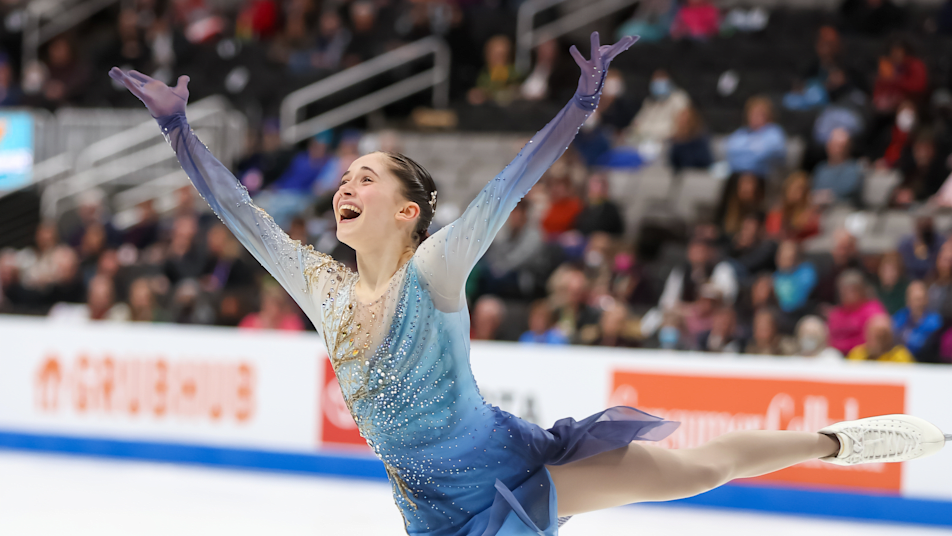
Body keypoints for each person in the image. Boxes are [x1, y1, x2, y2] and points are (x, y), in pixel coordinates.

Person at [111, 34, 948, 536]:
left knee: (695, 469)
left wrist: (579, 107)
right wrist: (180, 132)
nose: (345, 186)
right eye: (344, 176)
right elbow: (244, 217)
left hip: (512, 475)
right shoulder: (321, 290)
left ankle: (836, 444)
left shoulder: (435, 268)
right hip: (428, 515)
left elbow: (505, 189)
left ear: (407, 212)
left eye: (367, 177)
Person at [827, 269, 887, 354]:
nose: (846, 294)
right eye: (843, 290)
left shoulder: (873, 310)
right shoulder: (836, 313)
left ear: (861, 290)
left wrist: (844, 346)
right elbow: (830, 338)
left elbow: (872, 340)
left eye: (851, 290)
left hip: (865, 356)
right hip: (837, 356)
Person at [725, 97, 787, 178]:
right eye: (752, 114)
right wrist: (754, 150)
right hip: (739, 175)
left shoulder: (774, 132)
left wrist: (744, 153)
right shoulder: (741, 132)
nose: (755, 117)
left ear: (767, 116)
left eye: (759, 114)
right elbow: (731, 150)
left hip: (764, 176)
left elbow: (768, 154)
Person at [626, 69, 690, 146]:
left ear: (669, 82)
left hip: (668, 142)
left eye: (661, 81)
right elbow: (637, 123)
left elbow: (682, 124)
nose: (658, 85)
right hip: (644, 141)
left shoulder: (679, 98)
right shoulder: (649, 101)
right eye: (656, 81)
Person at [811, 128, 863, 207]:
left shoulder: (855, 168)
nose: (838, 150)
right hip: (818, 209)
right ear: (828, 146)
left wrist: (823, 196)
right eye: (834, 145)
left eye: (842, 146)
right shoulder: (820, 168)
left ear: (849, 148)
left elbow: (844, 192)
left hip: (843, 208)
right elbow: (814, 191)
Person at [893, 280, 943, 362]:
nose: (917, 304)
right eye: (914, 299)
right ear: (908, 301)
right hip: (901, 362)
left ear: (926, 300)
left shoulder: (935, 321)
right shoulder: (899, 318)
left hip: (926, 362)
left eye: (920, 299)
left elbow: (927, 346)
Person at [765, 171, 820, 241]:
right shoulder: (777, 210)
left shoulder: (811, 212)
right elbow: (773, 234)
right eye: (792, 187)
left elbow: (812, 233)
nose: (794, 192)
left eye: (800, 189)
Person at [847, 314, 914, 363]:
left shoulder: (900, 357)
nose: (878, 339)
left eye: (883, 335)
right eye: (874, 334)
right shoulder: (857, 354)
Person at [897, 216, 945, 281]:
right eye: (922, 222)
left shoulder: (940, 242)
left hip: (935, 280)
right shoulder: (906, 243)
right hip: (911, 280)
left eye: (927, 226)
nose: (924, 224)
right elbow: (903, 267)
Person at [668, 106, 713, 172]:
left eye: (686, 121)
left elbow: (706, 163)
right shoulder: (675, 142)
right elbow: (671, 164)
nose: (683, 122)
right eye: (681, 120)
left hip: (699, 174)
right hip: (681, 176)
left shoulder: (701, 141)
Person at [875, 251, 909, 315]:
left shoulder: (905, 291)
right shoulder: (875, 291)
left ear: (898, 273)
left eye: (892, 271)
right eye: (885, 270)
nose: (889, 274)